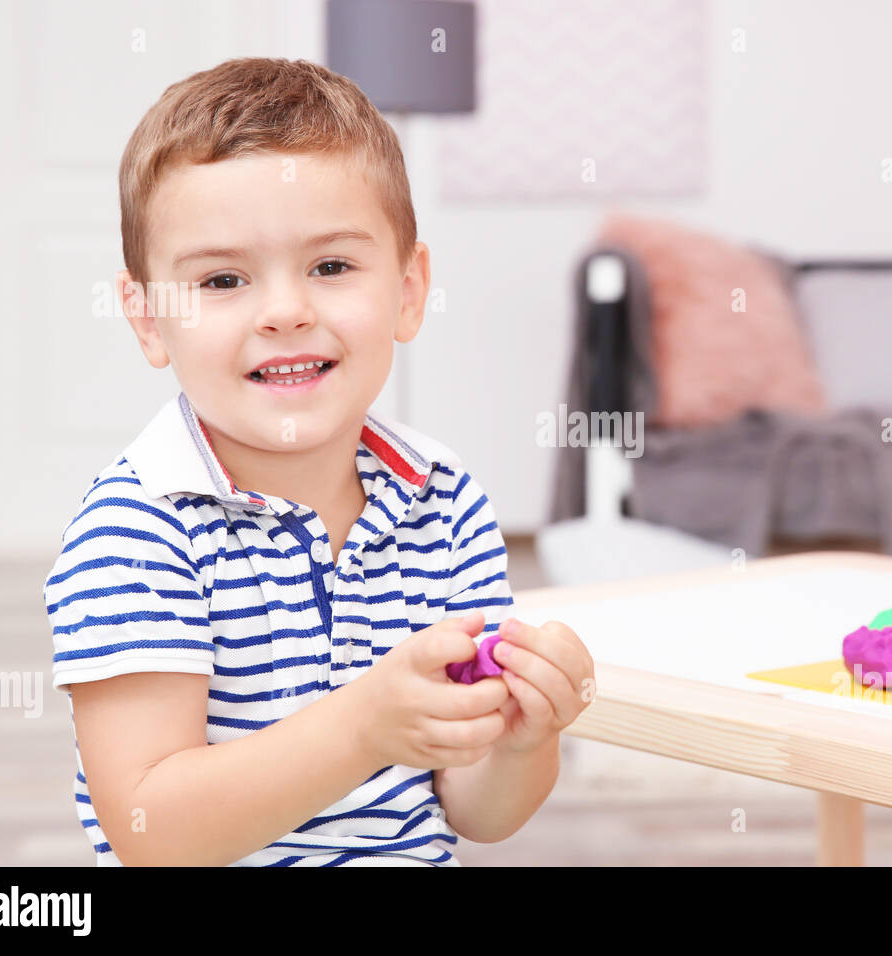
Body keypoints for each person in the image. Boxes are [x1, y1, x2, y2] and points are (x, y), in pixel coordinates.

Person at [42, 57, 594, 866]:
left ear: (408, 291)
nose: (286, 312)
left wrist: (520, 740)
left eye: (331, 267)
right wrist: (364, 725)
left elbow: (477, 814)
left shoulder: (445, 503)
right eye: (224, 279)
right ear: (151, 319)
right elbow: (150, 831)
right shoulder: (136, 530)